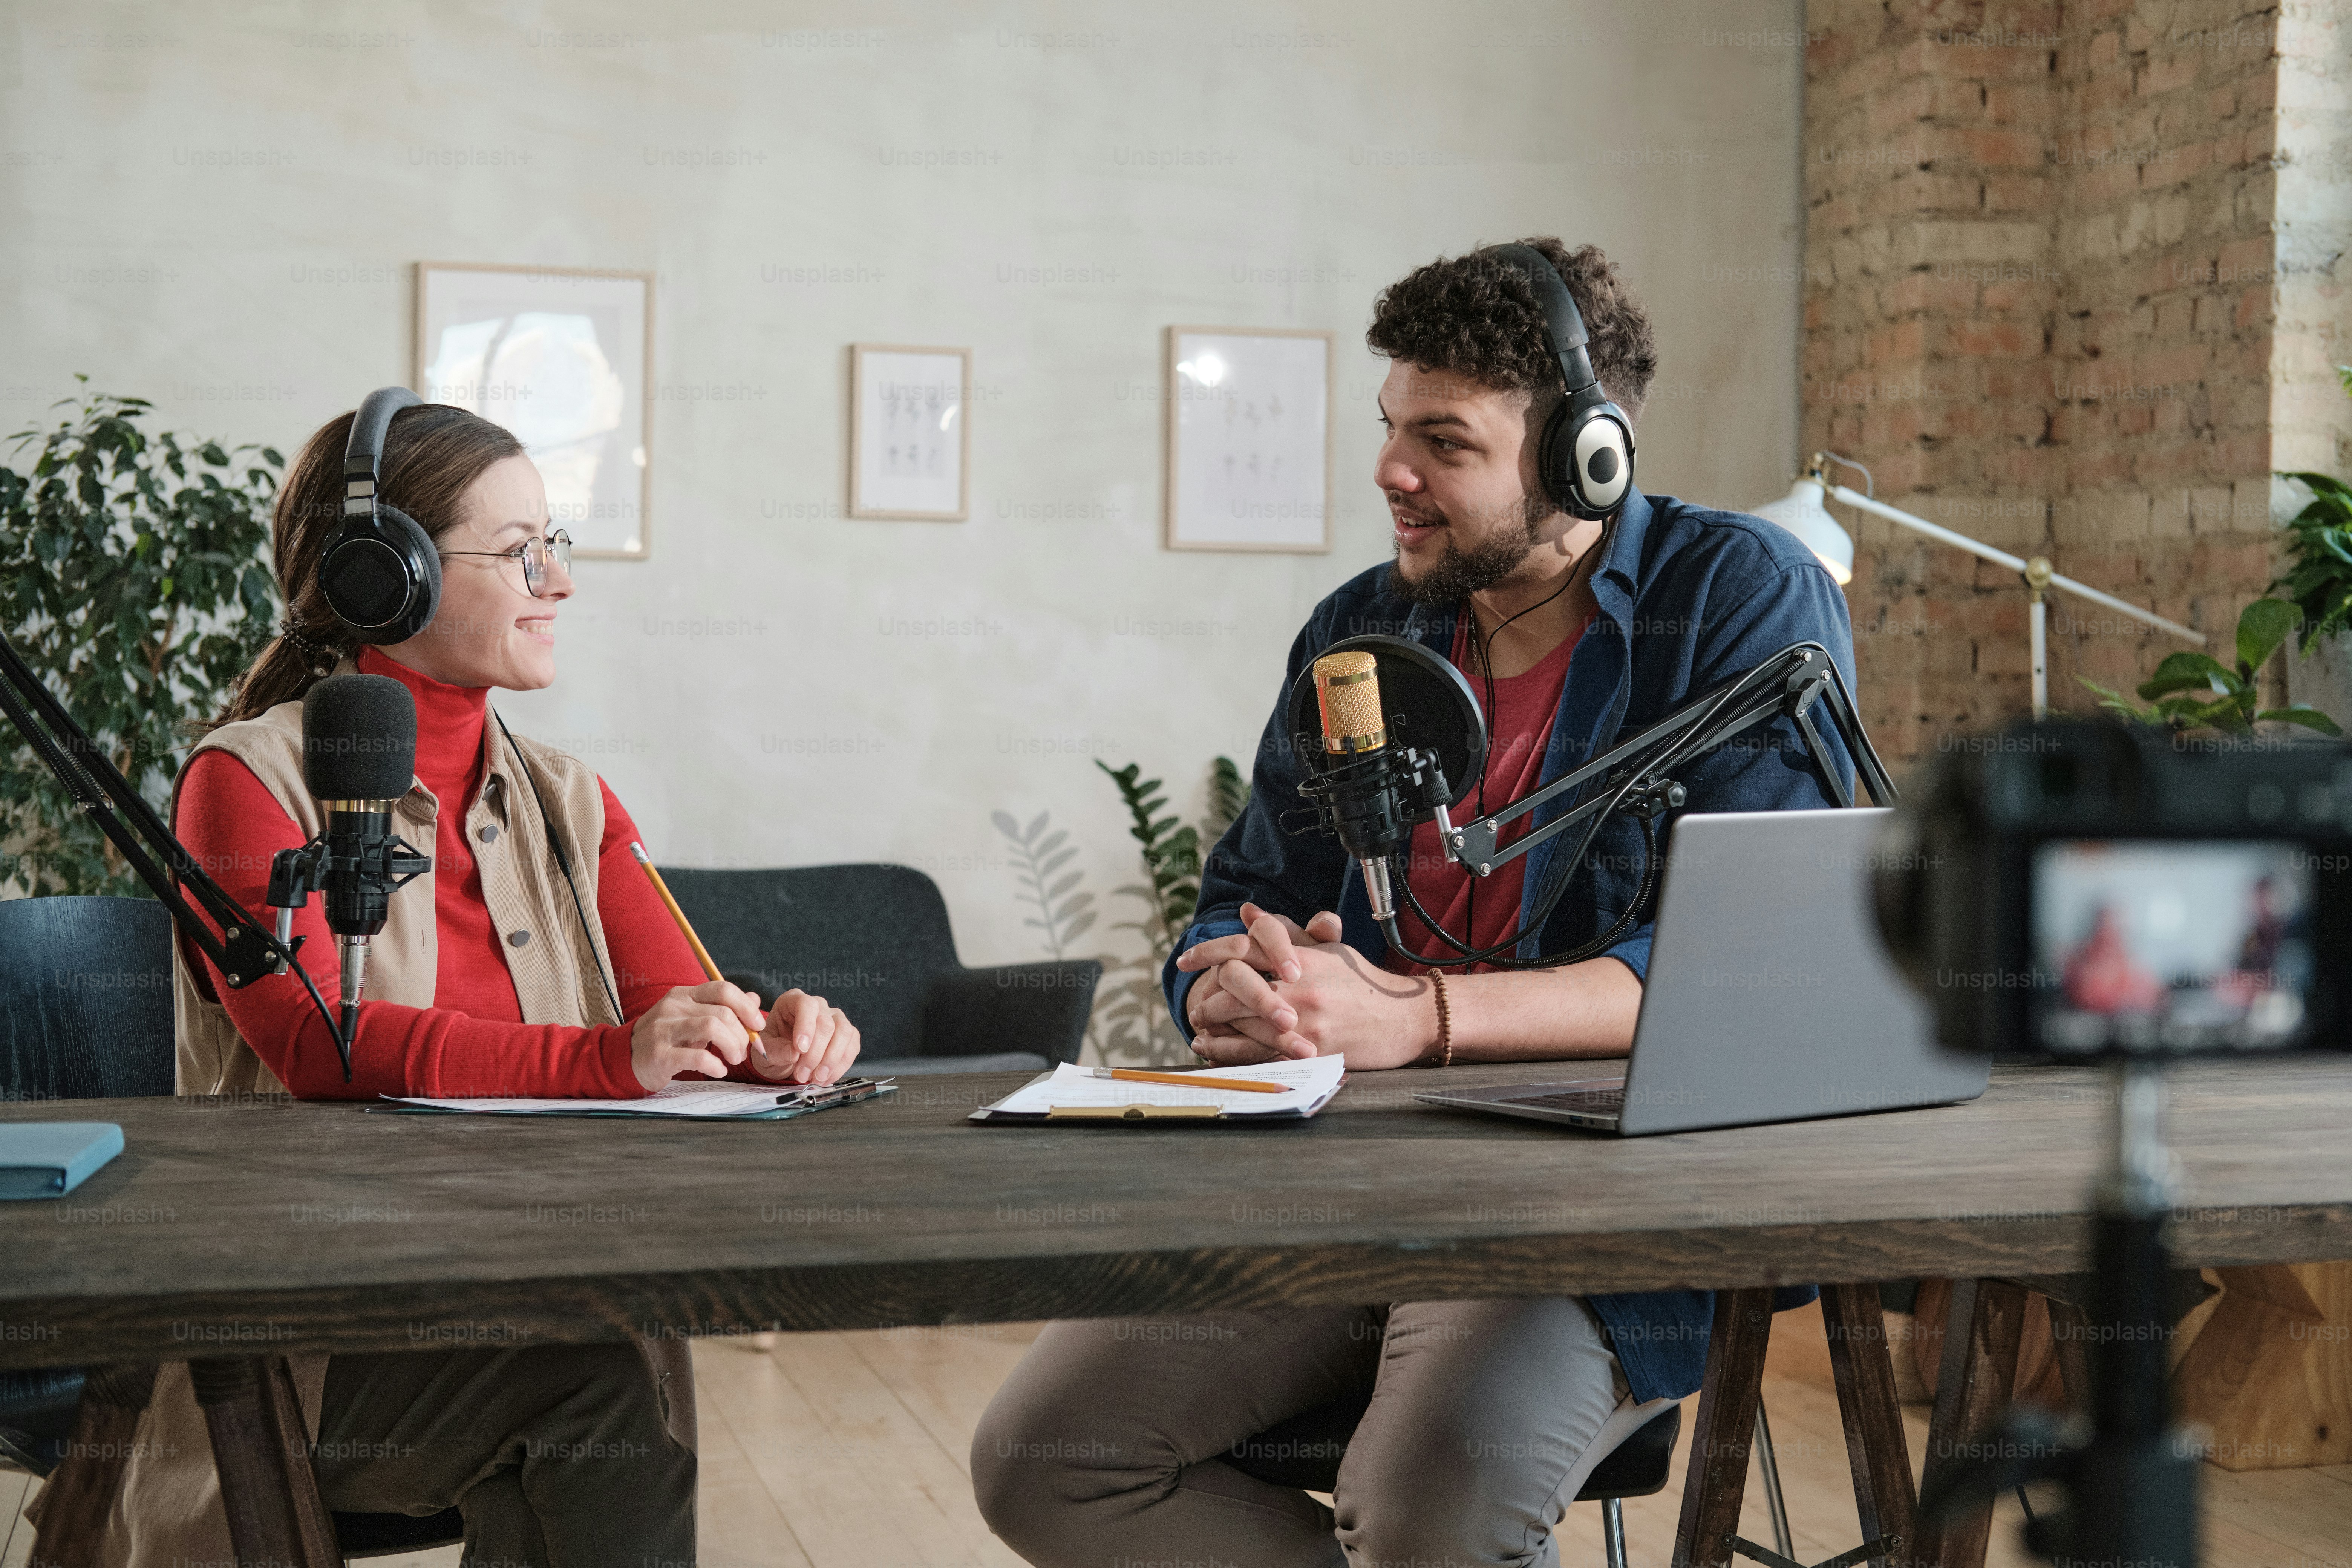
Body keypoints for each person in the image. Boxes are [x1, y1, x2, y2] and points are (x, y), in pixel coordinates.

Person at [972, 239, 1855, 1568]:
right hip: (1343, 1179)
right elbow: (1243, 895)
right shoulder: (1360, 634)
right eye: (1391, 428)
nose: (1391, 471)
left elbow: (1750, 965)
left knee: (1430, 1513)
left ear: (1584, 455)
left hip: (1591, 1210)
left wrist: (1420, 1017)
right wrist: (1226, 980)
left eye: (1443, 440)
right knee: (1047, 1466)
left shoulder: (1737, 601)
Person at [32, 400, 858, 1567]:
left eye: (554, 541)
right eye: (521, 550)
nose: (559, 581)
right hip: (297, 1356)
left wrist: (768, 1041)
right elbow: (322, 1047)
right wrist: (611, 1059)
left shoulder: (572, 797)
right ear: (385, 578)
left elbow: (691, 1021)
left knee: (596, 1377)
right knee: (602, 1396)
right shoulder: (245, 782)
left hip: (531, 1298)